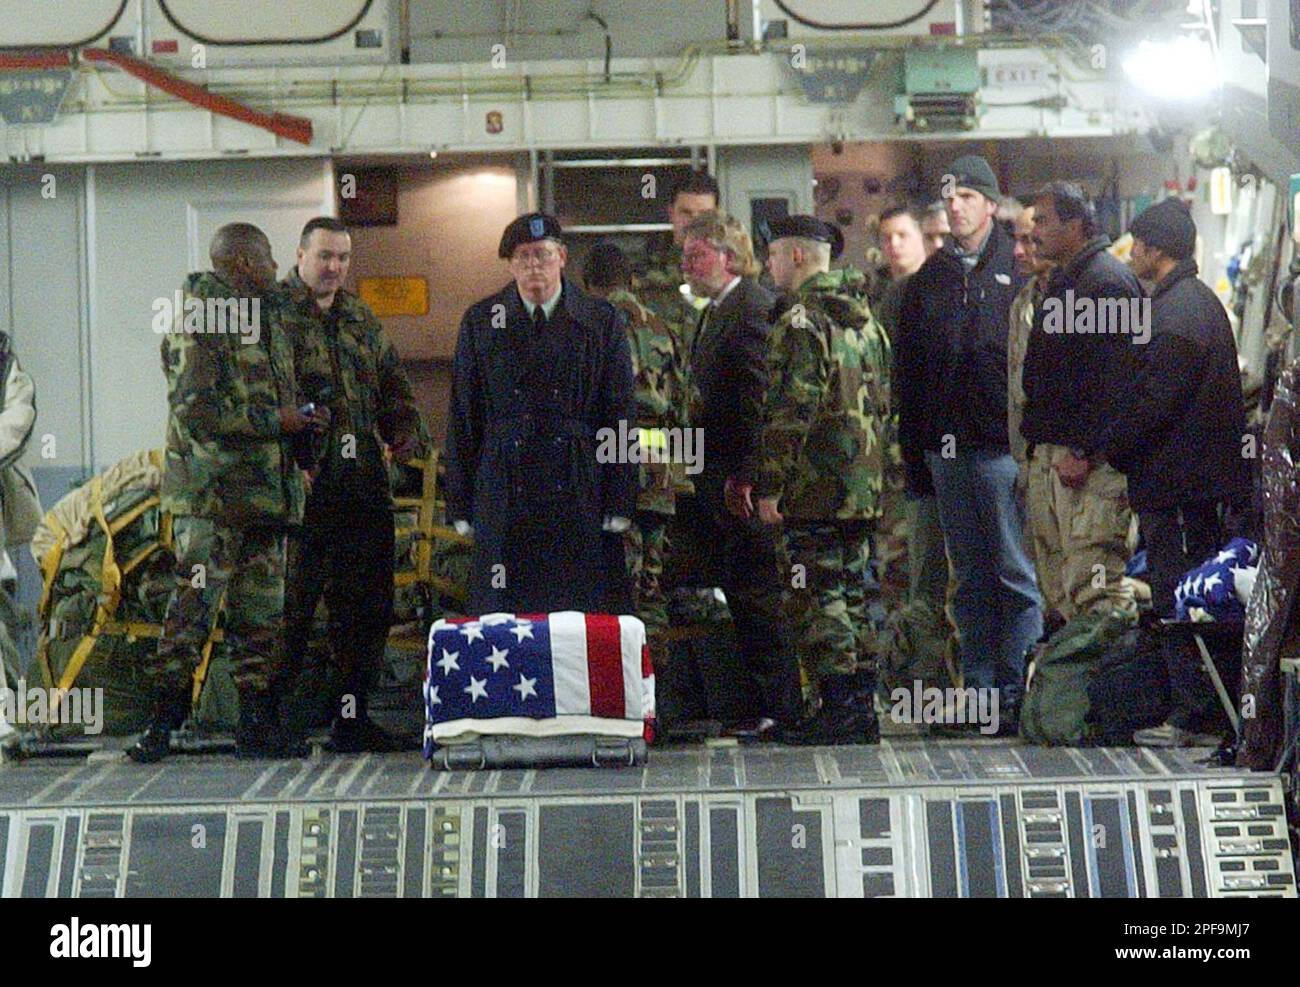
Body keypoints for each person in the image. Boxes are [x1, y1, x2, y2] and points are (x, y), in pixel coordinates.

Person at [130, 223, 324, 763]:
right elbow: (195, 409)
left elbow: (282, 390)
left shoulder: (267, 315)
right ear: (240, 262)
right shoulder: (198, 316)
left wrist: (304, 424)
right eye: (266, 257)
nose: (274, 265)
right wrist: (277, 419)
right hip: (213, 501)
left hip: (266, 496)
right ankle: (161, 725)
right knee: (191, 610)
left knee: (260, 616)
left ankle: (257, 727)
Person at [894, 156, 1041, 731]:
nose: (954, 207)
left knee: (1015, 572)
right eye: (948, 199)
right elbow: (906, 374)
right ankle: (979, 689)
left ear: (990, 205)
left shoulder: (1019, 269)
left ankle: (1020, 685)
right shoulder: (927, 281)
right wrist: (916, 459)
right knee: (969, 577)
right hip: (945, 453)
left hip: (1002, 449)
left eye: (966, 197)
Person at [275, 216, 432, 753]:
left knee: (366, 606)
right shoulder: (274, 316)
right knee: (291, 608)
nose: (335, 267)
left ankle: (352, 719)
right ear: (299, 256)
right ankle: (276, 721)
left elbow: (392, 383)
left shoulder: (360, 316)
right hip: (301, 488)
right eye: (325, 256)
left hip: (361, 483)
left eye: (343, 258)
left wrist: (406, 431)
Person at [1105, 199, 1252, 746]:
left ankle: (1200, 715)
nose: (1133, 254)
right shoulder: (1183, 304)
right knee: (1180, 593)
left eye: (1139, 245)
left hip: (1184, 489)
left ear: (1158, 250)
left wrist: (1113, 446)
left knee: (1187, 595)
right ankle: (1196, 709)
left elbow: (1154, 401)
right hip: (1182, 486)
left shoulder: (1179, 314)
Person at [444, 212, 636, 615]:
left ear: (563, 257)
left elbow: (618, 413)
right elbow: (464, 415)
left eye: (543, 255)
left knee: (576, 615)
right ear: (510, 265)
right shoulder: (483, 320)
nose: (535, 266)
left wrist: (620, 498)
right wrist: (460, 502)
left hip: (577, 481)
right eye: (524, 257)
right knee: (504, 616)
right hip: (506, 485)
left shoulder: (601, 321)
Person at [663, 211, 802, 740]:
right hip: (712, 473)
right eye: (685, 254)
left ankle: (780, 704)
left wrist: (747, 472)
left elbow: (755, 399)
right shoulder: (716, 310)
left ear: (727, 255)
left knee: (756, 590)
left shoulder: (749, 309)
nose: (686, 264)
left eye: (696, 253)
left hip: (734, 478)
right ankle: (756, 701)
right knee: (738, 590)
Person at [754, 216, 891, 744]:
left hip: (815, 488)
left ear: (795, 258)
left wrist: (770, 484)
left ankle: (836, 709)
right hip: (863, 486)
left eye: (772, 256)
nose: (767, 266)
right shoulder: (866, 323)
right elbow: (883, 405)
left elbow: (792, 410)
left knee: (817, 593)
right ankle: (860, 706)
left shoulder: (802, 324)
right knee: (855, 592)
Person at [1021, 182, 1139, 625]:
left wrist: (1084, 449)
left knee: (1095, 589)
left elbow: (1122, 380)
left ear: (1075, 224)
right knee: (1062, 592)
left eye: (1043, 221)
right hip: (1056, 457)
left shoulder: (1107, 283)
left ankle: (1113, 690)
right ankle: (1072, 691)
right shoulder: (1068, 280)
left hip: (1089, 468)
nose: (1034, 232)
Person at [582, 242, 690, 672]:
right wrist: (682, 477)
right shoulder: (664, 327)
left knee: (613, 584)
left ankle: (620, 692)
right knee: (651, 586)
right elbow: (685, 406)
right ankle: (655, 692)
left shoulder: (589, 325)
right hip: (659, 466)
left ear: (588, 285)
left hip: (612, 465)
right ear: (632, 280)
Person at [639, 169, 719, 356]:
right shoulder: (643, 276)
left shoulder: (734, 275)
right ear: (671, 213)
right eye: (686, 213)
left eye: (704, 214)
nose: (695, 222)